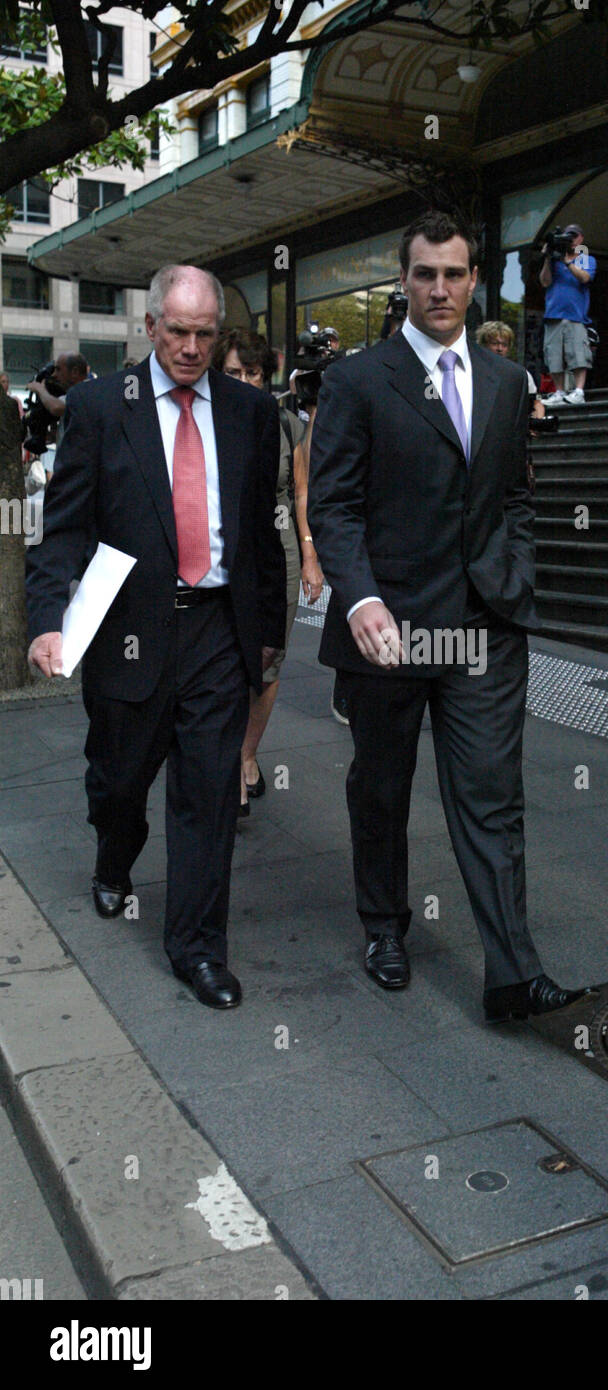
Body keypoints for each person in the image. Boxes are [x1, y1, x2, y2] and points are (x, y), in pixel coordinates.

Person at [308, 209, 585, 1023]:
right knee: (382, 790)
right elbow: (333, 504)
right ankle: (384, 927)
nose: (439, 288)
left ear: (474, 280)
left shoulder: (507, 381)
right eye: (424, 273)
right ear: (404, 280)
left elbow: (514, 497)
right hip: (389, 629)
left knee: (493, 796)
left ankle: (513, 973)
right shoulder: (358, 380)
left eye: (454, 273)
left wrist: (516, 572)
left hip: (483, 627)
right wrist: (358, 598)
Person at [25, 265, 286, 1010]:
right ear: (150, 328)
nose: (192, 347)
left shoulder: (249, 412)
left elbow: (260, 539)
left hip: (215, 629)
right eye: (178, 331)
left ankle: (198, 950)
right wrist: (48, 621)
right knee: (120, 781)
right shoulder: (104, 406)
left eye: (206, 334)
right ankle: (114, 855)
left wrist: (266, 635)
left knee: (208, 790)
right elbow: (66, 525)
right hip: (127, 630)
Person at [213, 328, 324, 814]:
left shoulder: (285, 426)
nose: (242, 381)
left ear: (265, 376)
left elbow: (301, 492)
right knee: (224, 659)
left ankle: (246, 755)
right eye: (232, 372)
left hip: (278, 552)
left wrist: (310, 556)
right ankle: (220, 758)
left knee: (268, 657)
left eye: (251, 373)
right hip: (221, 553)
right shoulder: (203, 423)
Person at [538, 223, 595, 406]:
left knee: (578, 354)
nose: (571, 239)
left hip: (575, 315)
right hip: (553, 313)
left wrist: (567, 261)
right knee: (554, 356)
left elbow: (585, 278)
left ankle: (578, 391)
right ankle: (559, 392)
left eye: (574, 236)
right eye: (567, 236)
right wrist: (548, 258)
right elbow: (545, 282)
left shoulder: (585, 258)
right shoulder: (554, 260)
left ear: (581, 239)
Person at [476, 321, 545, 419]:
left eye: (504, 345)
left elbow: (536, 404)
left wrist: (536, 425)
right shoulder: (473, 371)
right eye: (495, 344)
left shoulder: (520, 374)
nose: (500, 349)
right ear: (483, 345)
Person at [26, 352, 89, 436]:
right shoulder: (73, 395)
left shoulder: (86, 394)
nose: (54, 375)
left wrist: (40, 389)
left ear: (75, 372)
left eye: (58, 369)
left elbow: (56, 407)